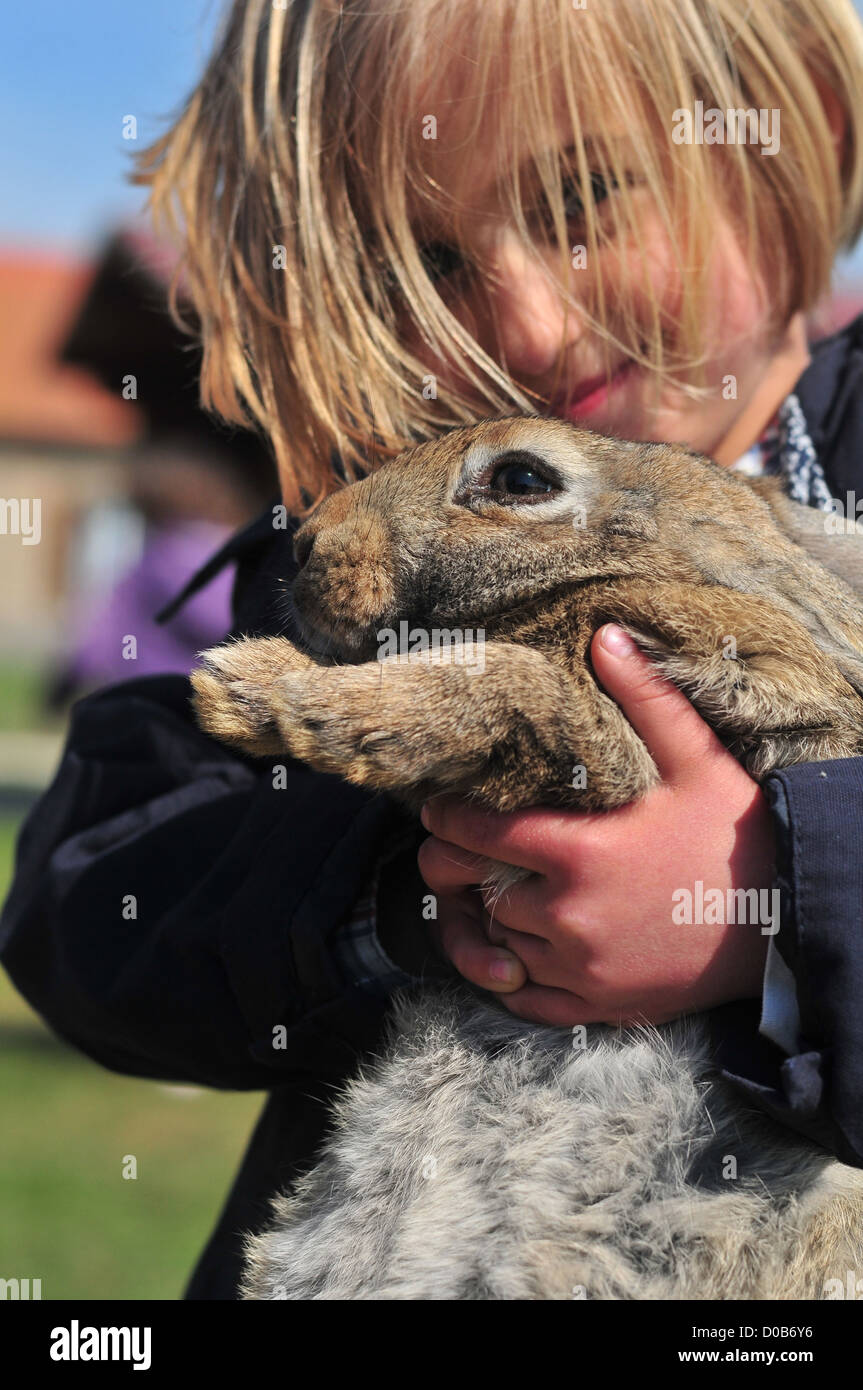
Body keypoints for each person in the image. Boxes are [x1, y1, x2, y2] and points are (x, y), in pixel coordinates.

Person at [3, 0, 863, 1299]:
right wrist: (412, 888)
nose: (520, 321)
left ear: (795, 128)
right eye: (432, 261)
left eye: (583, 201)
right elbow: (94, 894)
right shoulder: (390, 538)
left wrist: (771, 898)